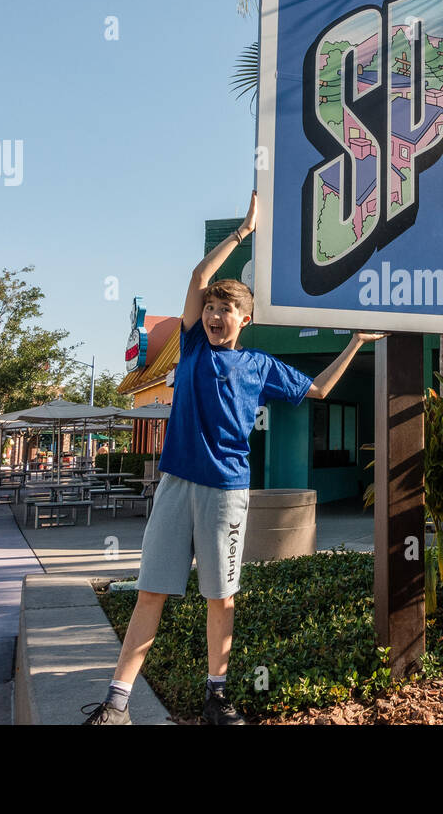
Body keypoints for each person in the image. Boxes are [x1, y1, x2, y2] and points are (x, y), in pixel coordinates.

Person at [82, 191, 383, 726]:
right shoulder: (194, 347)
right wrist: (244, 231)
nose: (216, 313)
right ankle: (116, 704)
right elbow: (199, 277)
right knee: (151, 591)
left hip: (227, 490)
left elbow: (316, 389)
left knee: (221, 599)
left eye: (227, 309)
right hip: (177, 485)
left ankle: (216, 700)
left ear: (246, 319)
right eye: (213, 307)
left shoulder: (261, 365)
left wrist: (357, 341)